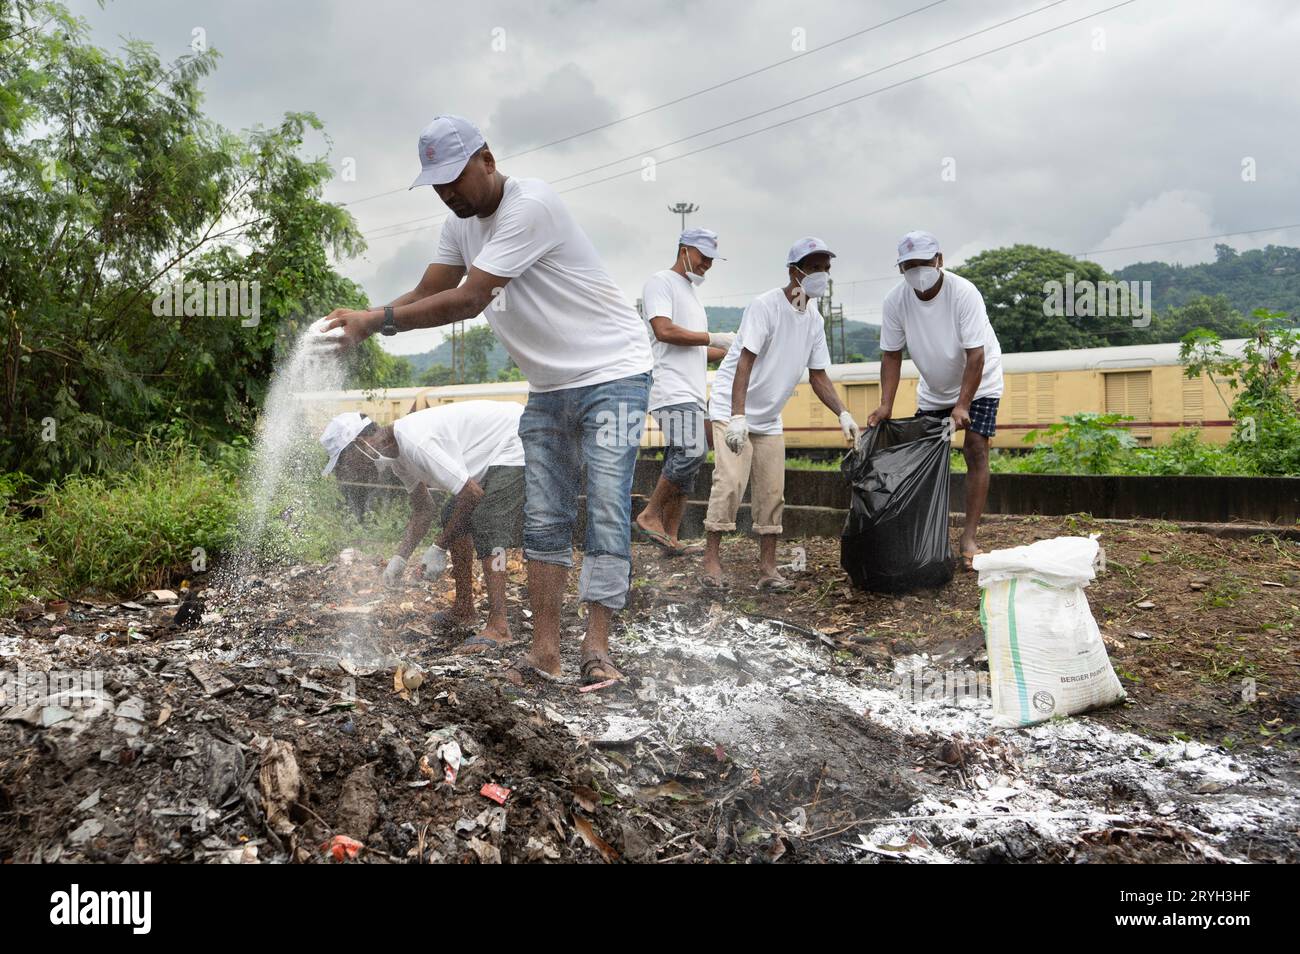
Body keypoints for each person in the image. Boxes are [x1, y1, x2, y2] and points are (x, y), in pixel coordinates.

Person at [321, 114, 652, 685]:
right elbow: (431, 290)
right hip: (549, 388)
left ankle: (596, 649)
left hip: (614, 374)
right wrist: (365, 323)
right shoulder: (460, 225)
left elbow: (470, 299)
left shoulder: (531, 206)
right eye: (437, 185)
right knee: (545, 518)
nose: (449, 193)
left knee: (602, 506)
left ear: (488, 159)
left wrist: (376, 320)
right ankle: (544, 654)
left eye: (456, 178)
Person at [701, 237, 860, 590]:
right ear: (794, 272)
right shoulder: (766, 307)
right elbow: (745, 361)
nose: (822, 274)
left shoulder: (814, 321)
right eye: (815, 267)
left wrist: (843, 413)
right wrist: (737, 416)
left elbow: (818, 375)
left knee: (773, 491)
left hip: (769, 417)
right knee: (730, 483)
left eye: (825, 268)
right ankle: (711, 560)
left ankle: (767, 569)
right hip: (732, 406)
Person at [319, 401, 526, 653]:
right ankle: (463, 609)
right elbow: (423, 509)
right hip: (492, 449)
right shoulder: (397, 458)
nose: (347, 471)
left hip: (514, 437)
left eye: (344, 462)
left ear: (360, 445)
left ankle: (499, 626)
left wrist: (439, 546)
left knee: (489, 521)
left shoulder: (415, 443)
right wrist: (400, 558)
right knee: (452, 514)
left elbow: (472, 494)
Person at [870, 230, 1004, 569]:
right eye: (909, 265)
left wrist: (962, 405)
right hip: (933, 390)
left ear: (939, 260)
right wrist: (886, 404)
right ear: (901, 269)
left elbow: (976, 356)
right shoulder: (895, 301)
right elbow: (891, 356)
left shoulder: (964, 293)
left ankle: (969, 537)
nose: (918, 271)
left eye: (924, 263)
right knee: (929, 460)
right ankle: (931, 536)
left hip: (980, 383)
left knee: (975, 449)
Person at [635, 227, 734, 555]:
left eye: (711, 260)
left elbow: (699, 351)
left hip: (691, 390)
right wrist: (711, 336)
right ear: (684, 250)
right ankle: (650, 515)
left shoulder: (691, 293)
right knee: (691, 450)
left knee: (688, 461)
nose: (708, 264)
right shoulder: (661, 282)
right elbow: (663, 331)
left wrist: (735, 348)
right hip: (670, 388)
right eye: (703, 257)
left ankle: (671, 539)